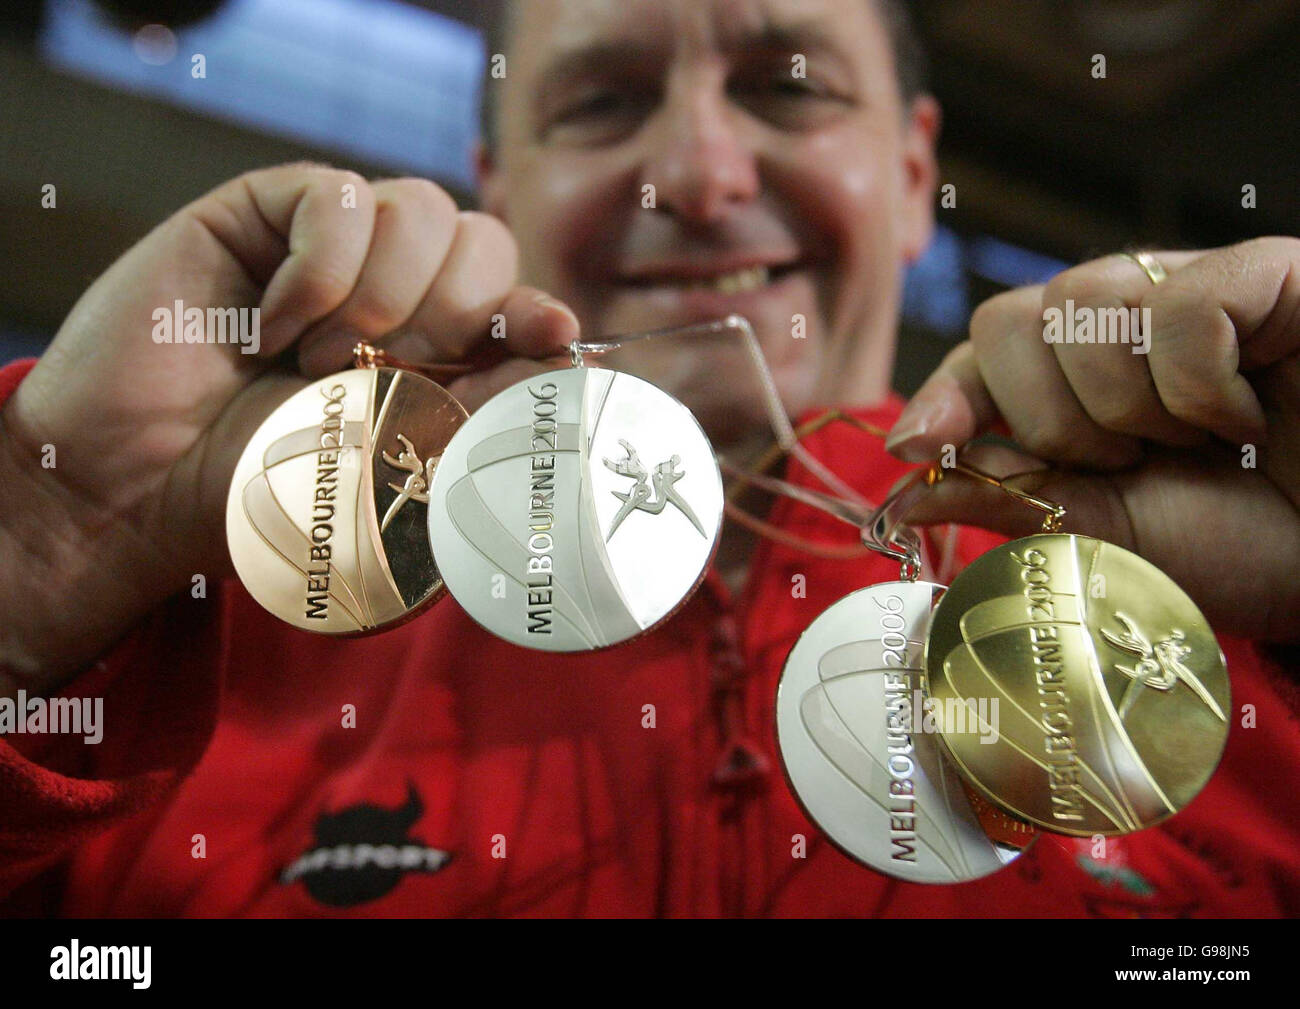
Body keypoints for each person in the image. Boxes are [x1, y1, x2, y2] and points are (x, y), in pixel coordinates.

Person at [1, 0, 1298, 917]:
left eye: (788, 84)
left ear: (913, 178)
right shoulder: (189, 654)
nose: (693, 171)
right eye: (603, 101)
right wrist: (41, 552)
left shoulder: (1223, 627)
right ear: (494, 188)